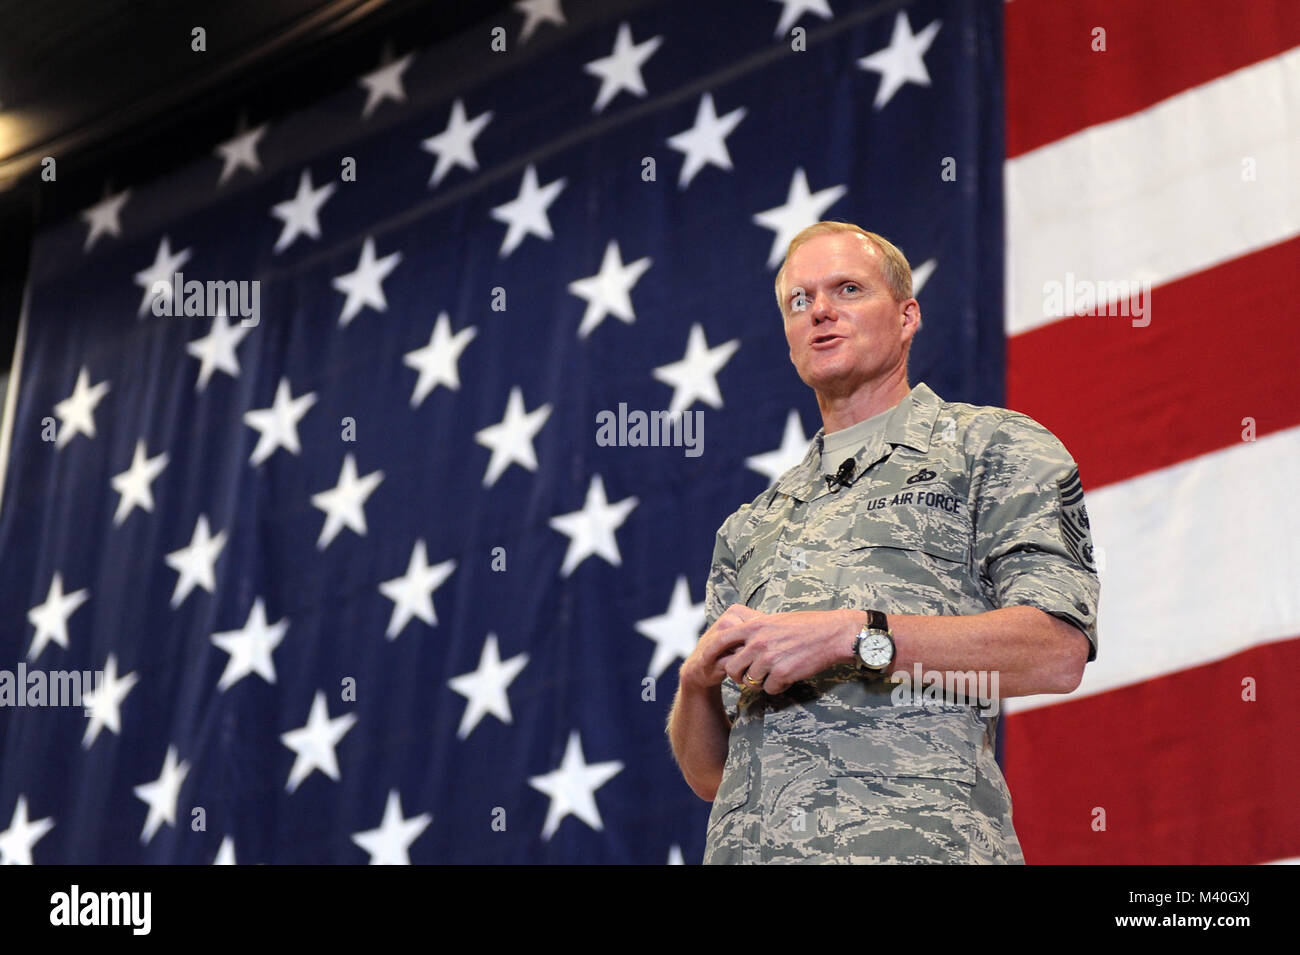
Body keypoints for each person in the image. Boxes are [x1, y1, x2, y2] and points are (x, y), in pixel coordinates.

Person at [666, 221, 1100, 864]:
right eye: (800, 301)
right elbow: (710, 776)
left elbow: (1056, 653)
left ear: (906, 316)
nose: (821, 312)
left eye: (847, 289)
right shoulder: (750, 526)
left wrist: (856, 636)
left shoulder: (990, 448)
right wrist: (695, 685)